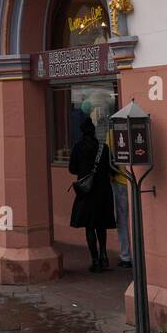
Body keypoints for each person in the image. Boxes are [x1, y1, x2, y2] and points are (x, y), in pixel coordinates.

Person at [68, 116, 116, 272]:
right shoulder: (104, 148)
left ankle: (95, 259)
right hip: (102, 191)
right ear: (94, 131)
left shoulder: (77, 147)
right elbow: (111, 168)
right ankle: (104, 256)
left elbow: (72, 169)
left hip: (86, 192)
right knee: (101, 225)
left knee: (89, 226)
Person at [106, 131, 132, 269]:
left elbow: (109, 158)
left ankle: (126, 255)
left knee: (122, 220)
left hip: (120, 180)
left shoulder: (111, 132)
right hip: (134, 180)